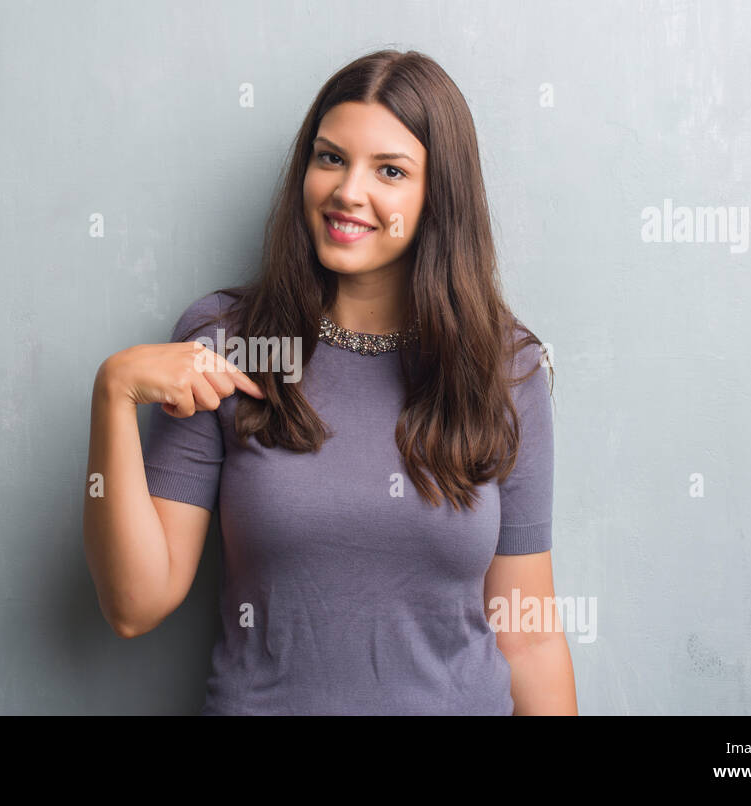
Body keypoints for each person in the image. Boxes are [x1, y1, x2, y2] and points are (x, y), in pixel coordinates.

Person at [82, 49, 576, 715]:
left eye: (390, 171)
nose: (348, 190)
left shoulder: (501, 368)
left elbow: (530, 639)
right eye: (330, 157)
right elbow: (135, 606)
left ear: (438, 196)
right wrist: (112, 393)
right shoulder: (235, 347)